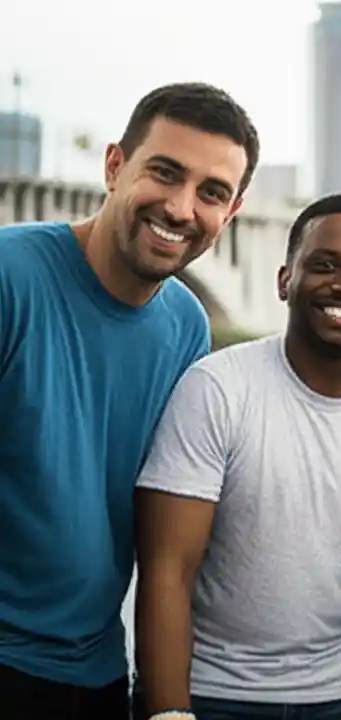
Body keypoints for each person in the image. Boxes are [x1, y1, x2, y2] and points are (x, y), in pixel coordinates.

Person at [131, 194, 341, 720]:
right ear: (284, 279)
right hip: (213, 694)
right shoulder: (217, 390)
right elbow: (166, 570)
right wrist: (167, 710)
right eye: (324, 265)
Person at [0, 82, 257, 719]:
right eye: (164, 173)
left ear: (232, 211)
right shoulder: (11, 278)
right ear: (115, 166)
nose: (180, 207)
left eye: (211, 192)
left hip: (98, 672)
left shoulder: (186, 325)